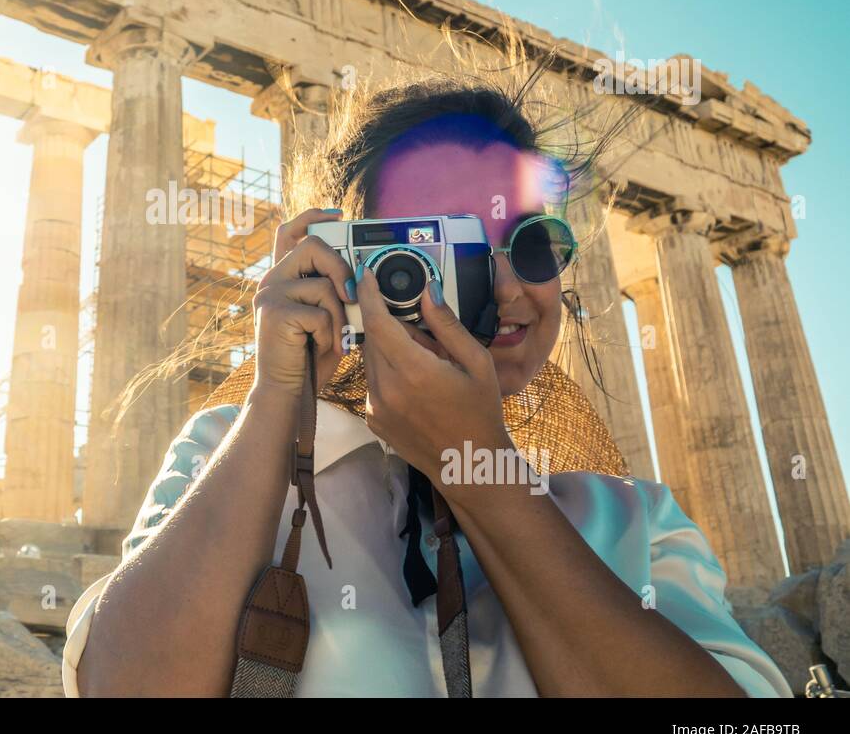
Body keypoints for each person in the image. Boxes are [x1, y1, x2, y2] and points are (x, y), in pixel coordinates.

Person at [63, 49, 791, 698]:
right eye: (449, 247)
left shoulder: (639, 522)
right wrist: (277, 397)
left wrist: (480, 475)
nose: (506, 289)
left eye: (532, 244)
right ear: (349, 262)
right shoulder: (231, 450)